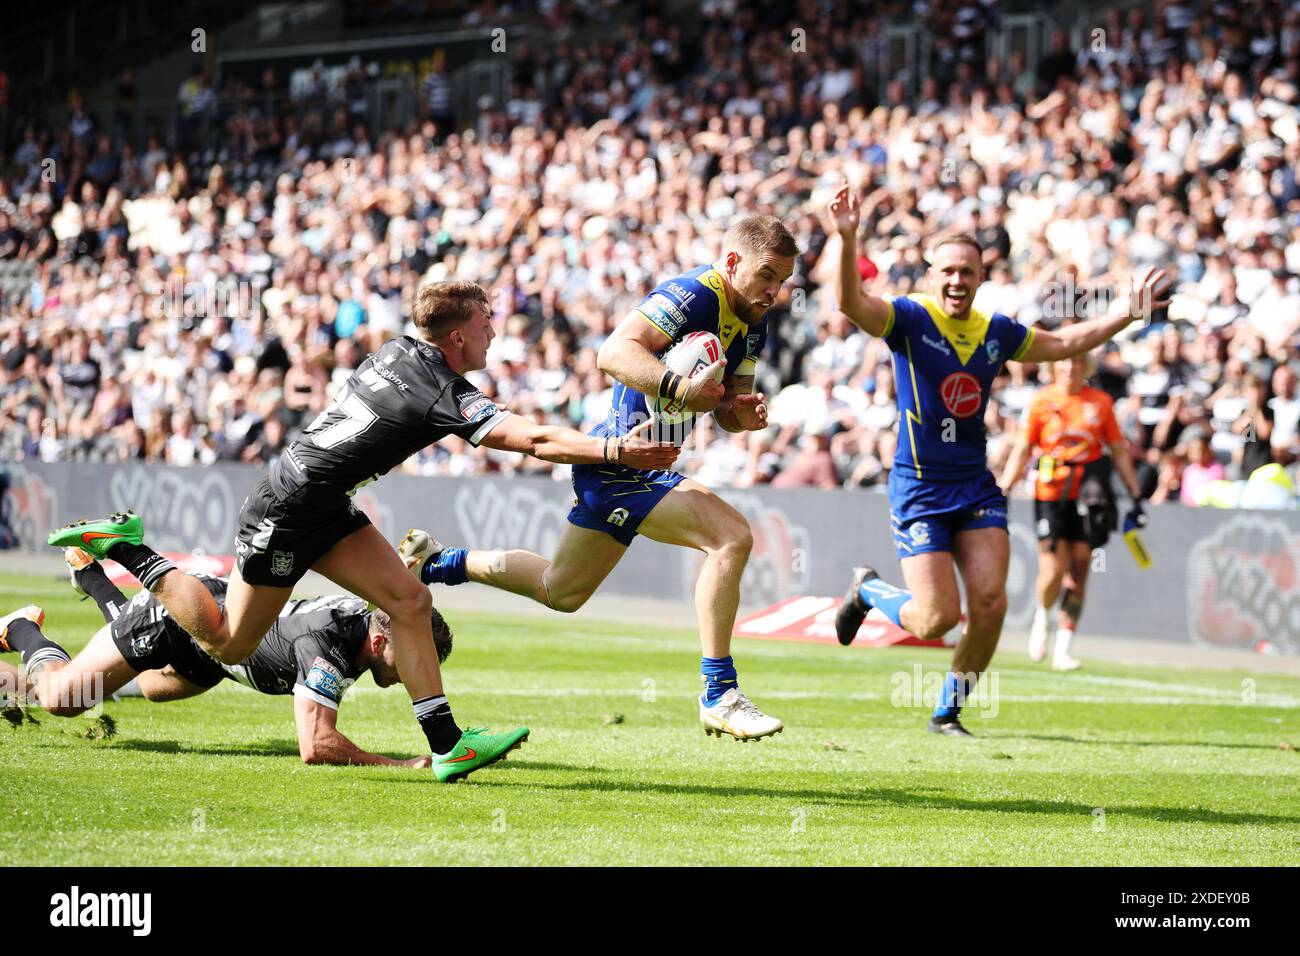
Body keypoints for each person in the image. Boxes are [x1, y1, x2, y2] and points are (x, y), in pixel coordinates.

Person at [47, 281, 679, 780]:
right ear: (457, 336)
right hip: (289, 509)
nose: (495, 335)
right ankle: (127, 547)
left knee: (409, 599)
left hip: (323, 501)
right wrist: (617, 452)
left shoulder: (399, 351)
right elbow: (534, 440)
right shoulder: (439, 389)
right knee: (229, 644)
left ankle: (448, 745)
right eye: (488, 325)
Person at [398, 216, 799, 740]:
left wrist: (741, 413)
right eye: (767, 275)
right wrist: (679, 386)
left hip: (631, 467)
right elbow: (613, 353)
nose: (775, 291)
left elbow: (724, 409)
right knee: (731, 537)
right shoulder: (693, 294)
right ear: (731, 263)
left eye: (783, 280)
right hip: (622, 464)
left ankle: (439, 562)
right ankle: (718, 691)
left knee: (559, 591)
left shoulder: (755, 317)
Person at [823, 181, 1171, 737]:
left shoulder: (997, 332)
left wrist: (1126, 316)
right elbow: (848, 302)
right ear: (931, 276)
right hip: (919, 487)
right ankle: (868, 590)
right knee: (936, 617)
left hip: (976, 486)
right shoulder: (908, 320)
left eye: (968, 271)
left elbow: (1061, 345)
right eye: (948, 271)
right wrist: (846, 237)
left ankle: (947, 712)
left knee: (989, 604)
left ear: (981, 278)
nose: (958, 279)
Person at [0, 549, 455, 769]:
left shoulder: (376, 614)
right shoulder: (330, 642)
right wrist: (396, 765)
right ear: (378, 644)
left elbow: (400, 584)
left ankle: (90, 576)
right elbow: (316, 746)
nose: (415, 676)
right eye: (414, 661)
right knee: (63, 698)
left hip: (210, 654)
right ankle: (21, 627)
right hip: (175, 618)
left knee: (160, 686)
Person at [998, 351, 1146, 670]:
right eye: (1064, 361)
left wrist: (1134, 493)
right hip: (1050, 490)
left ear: (1085, 366)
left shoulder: (1100, 402)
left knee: (1080, 566)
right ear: (1054, 365)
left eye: (1077, 361)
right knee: (1052, 565)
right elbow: (1024, 447)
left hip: (1089, 492)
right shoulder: (1041, 401)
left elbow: (1118, 449)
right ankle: (1043, 617)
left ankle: (1064, 646)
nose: (1070, 367)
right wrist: (1005, 487)